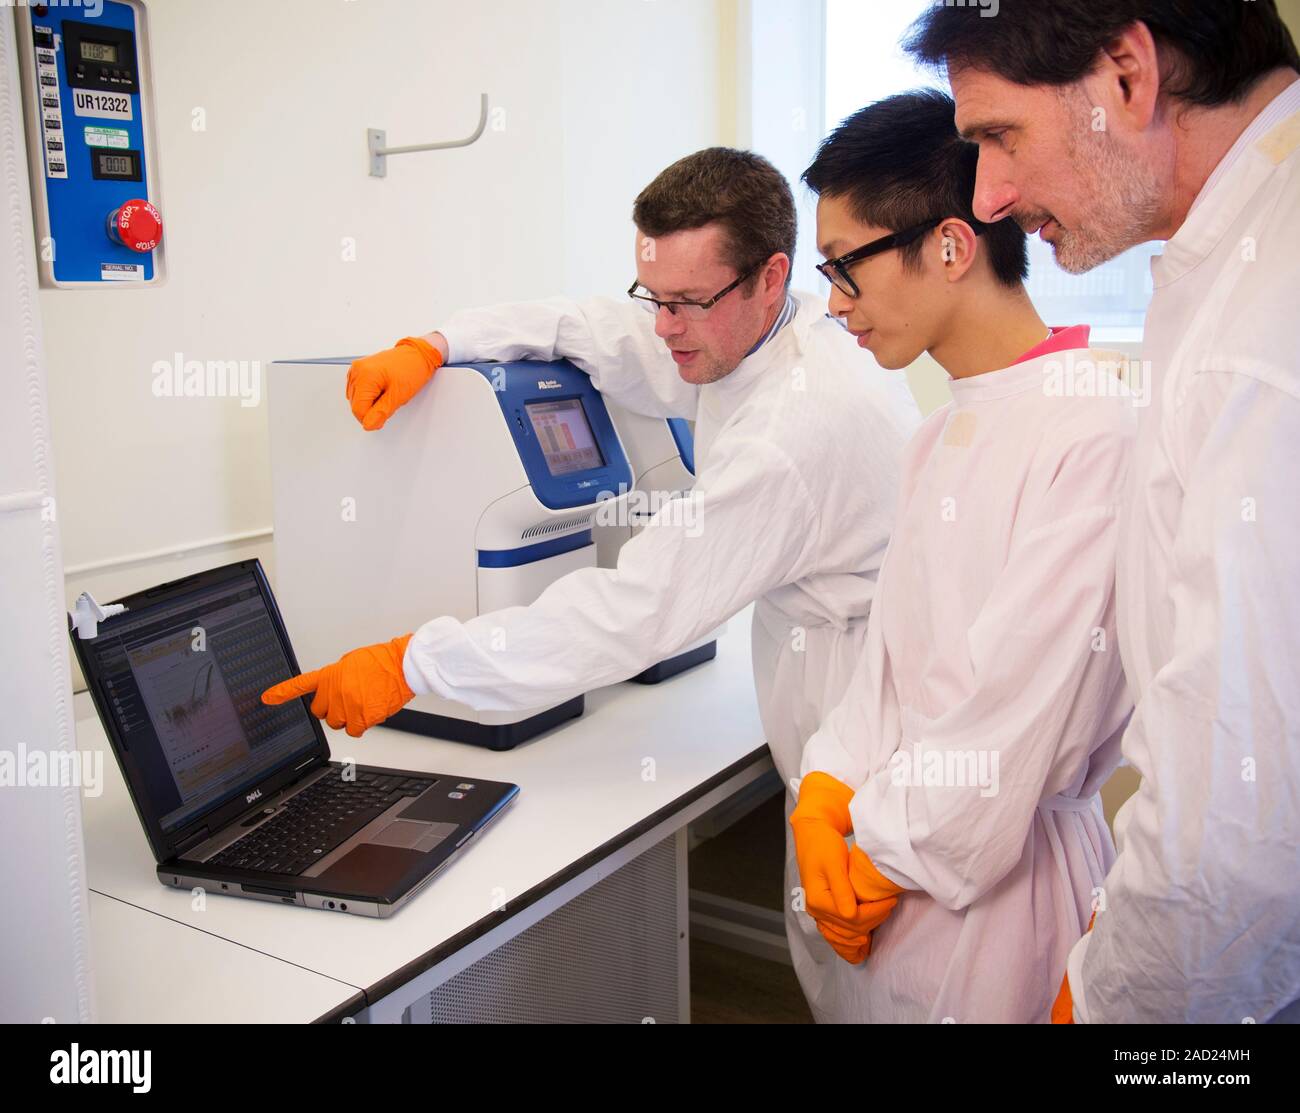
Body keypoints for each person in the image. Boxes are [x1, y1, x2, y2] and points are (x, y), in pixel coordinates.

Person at [263, 147, 921, 1017]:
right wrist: (440, 343)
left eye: (688, 303)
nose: (664, 326)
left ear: (770, 276)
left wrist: (412, 664)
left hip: (878, 762)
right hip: (832, 711)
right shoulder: (755, 334)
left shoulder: (793, 427)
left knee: (889, 999)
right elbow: (586, 327)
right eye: (655, 295)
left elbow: (632, 612)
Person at [906, 0, 1300, 1023]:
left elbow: (1237, 817)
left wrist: (1109, 1001)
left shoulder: (1255, 336)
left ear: (1127, 74)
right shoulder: (1237, 255)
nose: (988, 197)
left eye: (999, 137)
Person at [792, 89, 1136, 1023]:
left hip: (1005, 901)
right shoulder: (933, 437)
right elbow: (888, 678)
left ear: (949, 245)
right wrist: (825, 788)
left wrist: (877, 850)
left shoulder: (1091, 433)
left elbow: (1007, 727)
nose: (835, 305)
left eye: (846, 268)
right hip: (894, 882)